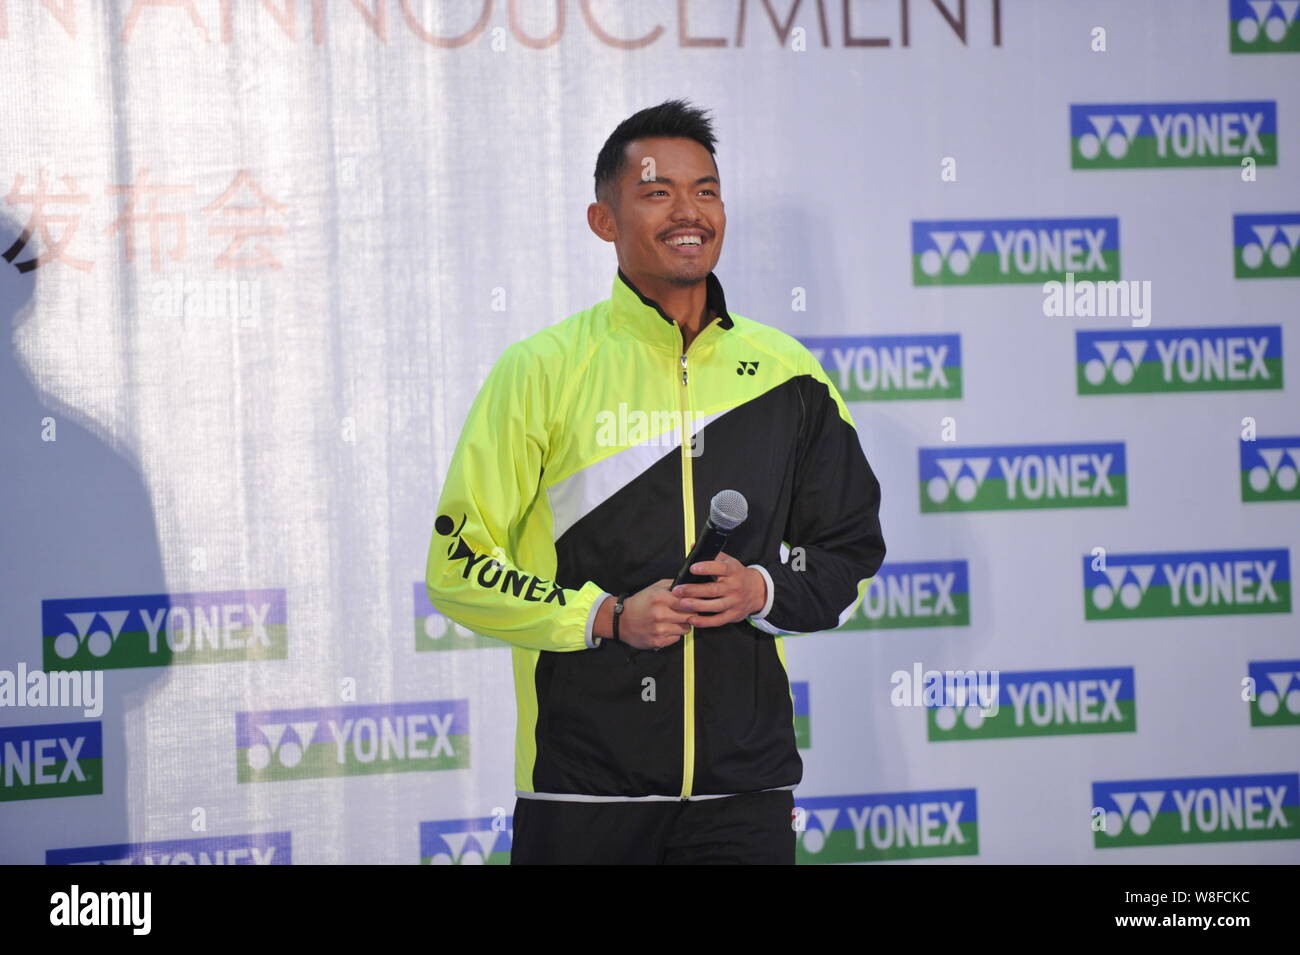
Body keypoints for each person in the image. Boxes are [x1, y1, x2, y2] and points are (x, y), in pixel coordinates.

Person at [425, 99, 885, 864]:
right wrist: (604, 616)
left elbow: (849, 552)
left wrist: (763, 591)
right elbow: (458, 568)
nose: (689, 212)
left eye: (705, 190)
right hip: (582, 793)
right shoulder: (541, 368)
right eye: (657, 190)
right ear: (603, 220)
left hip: (745, 796)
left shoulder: (789, 374)